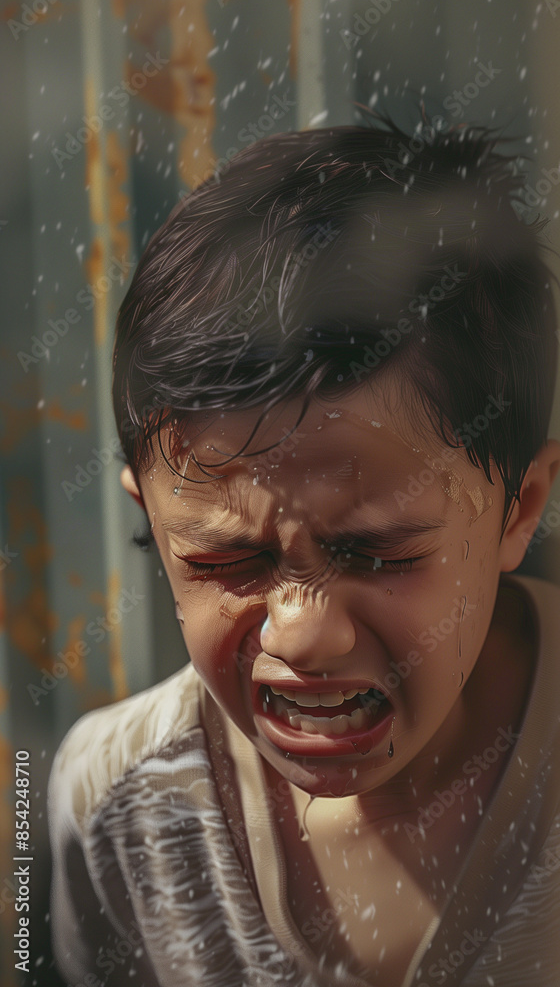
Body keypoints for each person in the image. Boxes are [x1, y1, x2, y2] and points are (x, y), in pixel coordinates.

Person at [48, 115, 560, 987]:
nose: (303, 636)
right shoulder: (110, 804)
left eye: (378, 554)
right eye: (224, 563)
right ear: (152, 522)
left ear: (520, 510)